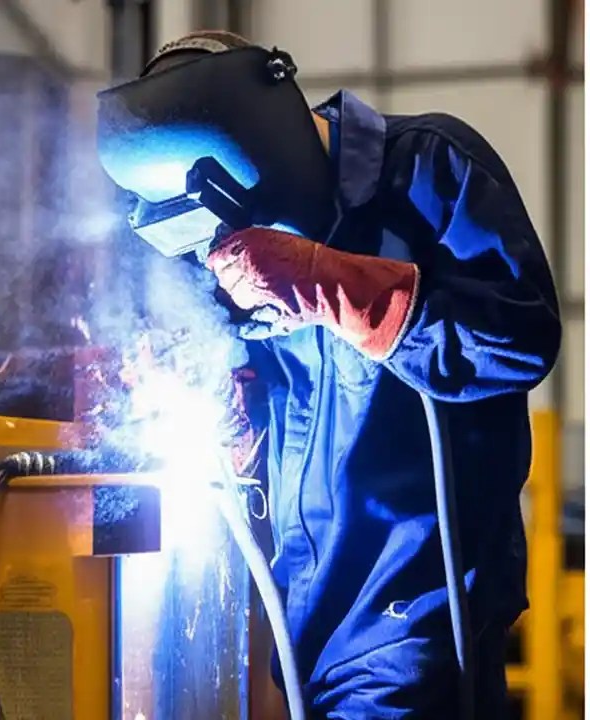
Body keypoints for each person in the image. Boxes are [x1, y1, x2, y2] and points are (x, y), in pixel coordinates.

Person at [96, 30, 560, 718]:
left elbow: (519, 338)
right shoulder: (223, 246)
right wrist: (220, 410)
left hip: (417, 625)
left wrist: (329, 283)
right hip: (303, 632)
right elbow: (268, 439)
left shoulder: (428, 169)